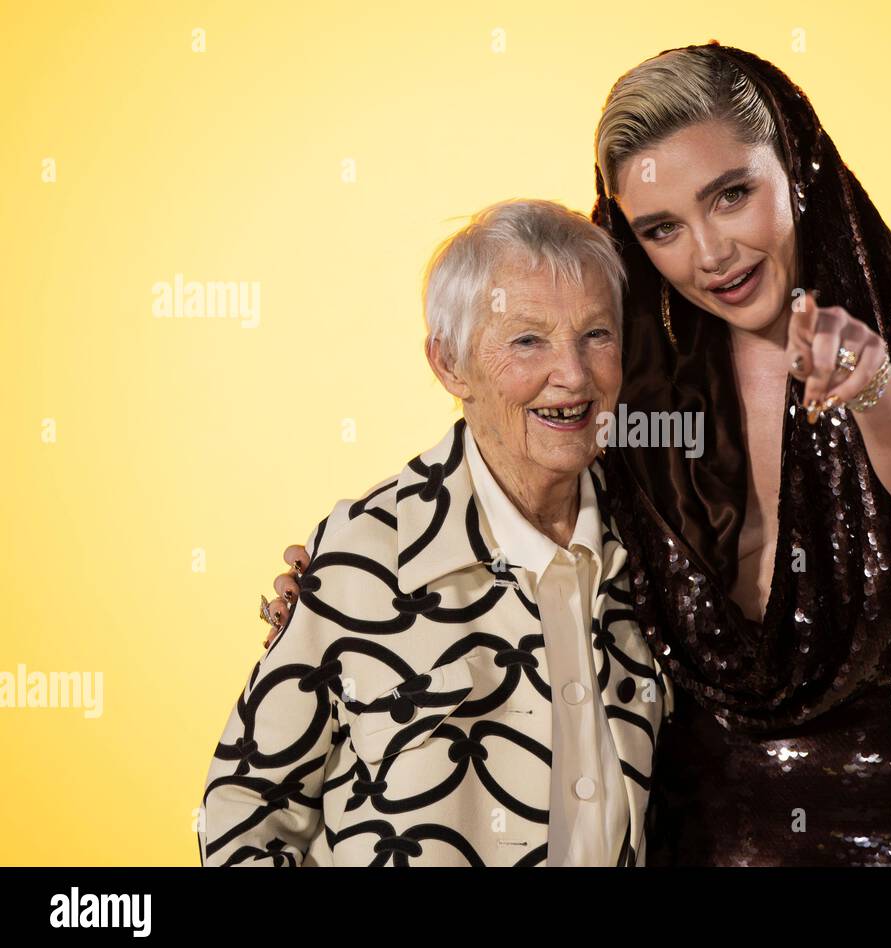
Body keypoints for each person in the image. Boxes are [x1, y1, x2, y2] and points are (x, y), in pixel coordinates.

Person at [259, 42, 891, 865]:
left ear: (799, 162)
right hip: (701, 812)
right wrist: (361, 581)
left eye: (732, 195)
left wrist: (869, 377)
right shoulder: (633, 365)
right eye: (663, 228)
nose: (710, 253)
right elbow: (517, 477)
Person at [201, 199, 669, 866]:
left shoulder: (654, 550)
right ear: (450, 363)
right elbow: (245, 813)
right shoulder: (363, 555)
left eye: (596, 335)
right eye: (527, 340)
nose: (572, 374)